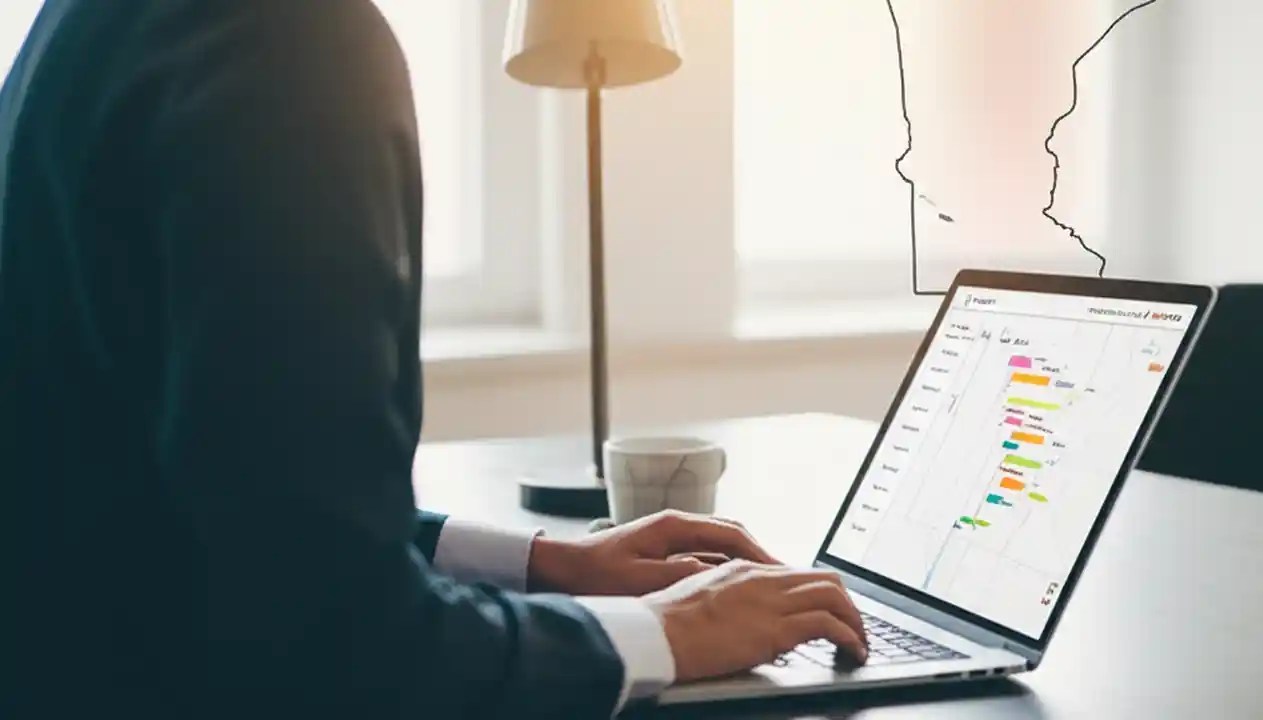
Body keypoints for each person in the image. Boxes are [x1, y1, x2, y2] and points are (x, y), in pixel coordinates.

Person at [0, 1, 867, 717]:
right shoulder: (289, 43)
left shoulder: (95, 22)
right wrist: (668, 634)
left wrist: (547, 565)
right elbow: (339, 646)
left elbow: (230, 504)